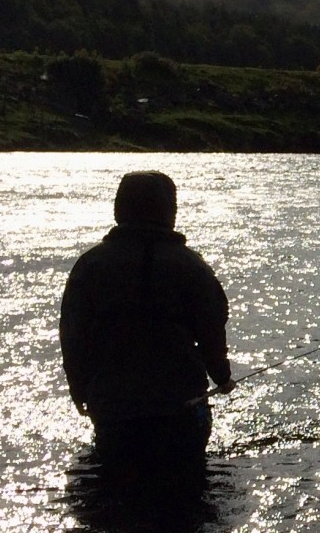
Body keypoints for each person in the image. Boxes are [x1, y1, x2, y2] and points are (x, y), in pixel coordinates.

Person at [60, 171, 232, 478]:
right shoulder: (192, 267)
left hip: (113, 411)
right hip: (178, 409)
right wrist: (222, 377)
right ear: (169, 212)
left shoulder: (90, 266)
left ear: (119, 209)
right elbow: (212, 332)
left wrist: (79, 390)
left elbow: (72, 337)